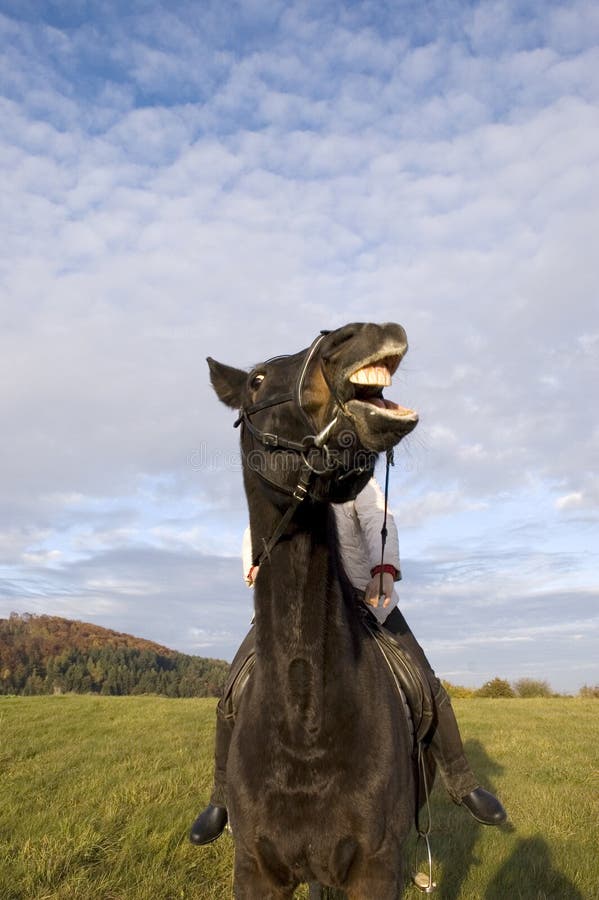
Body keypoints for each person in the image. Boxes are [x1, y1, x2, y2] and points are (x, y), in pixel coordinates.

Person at [189, 478, 507, 845]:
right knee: (234, 691)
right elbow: (257, 522)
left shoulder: (355, 475)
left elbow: (377, 518)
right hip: (289, 602)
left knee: (425, 685)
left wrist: (383, 570)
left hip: (362, 595)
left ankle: (463, 782)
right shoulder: (283, 472)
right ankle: (221, 799)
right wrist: (256, 564)